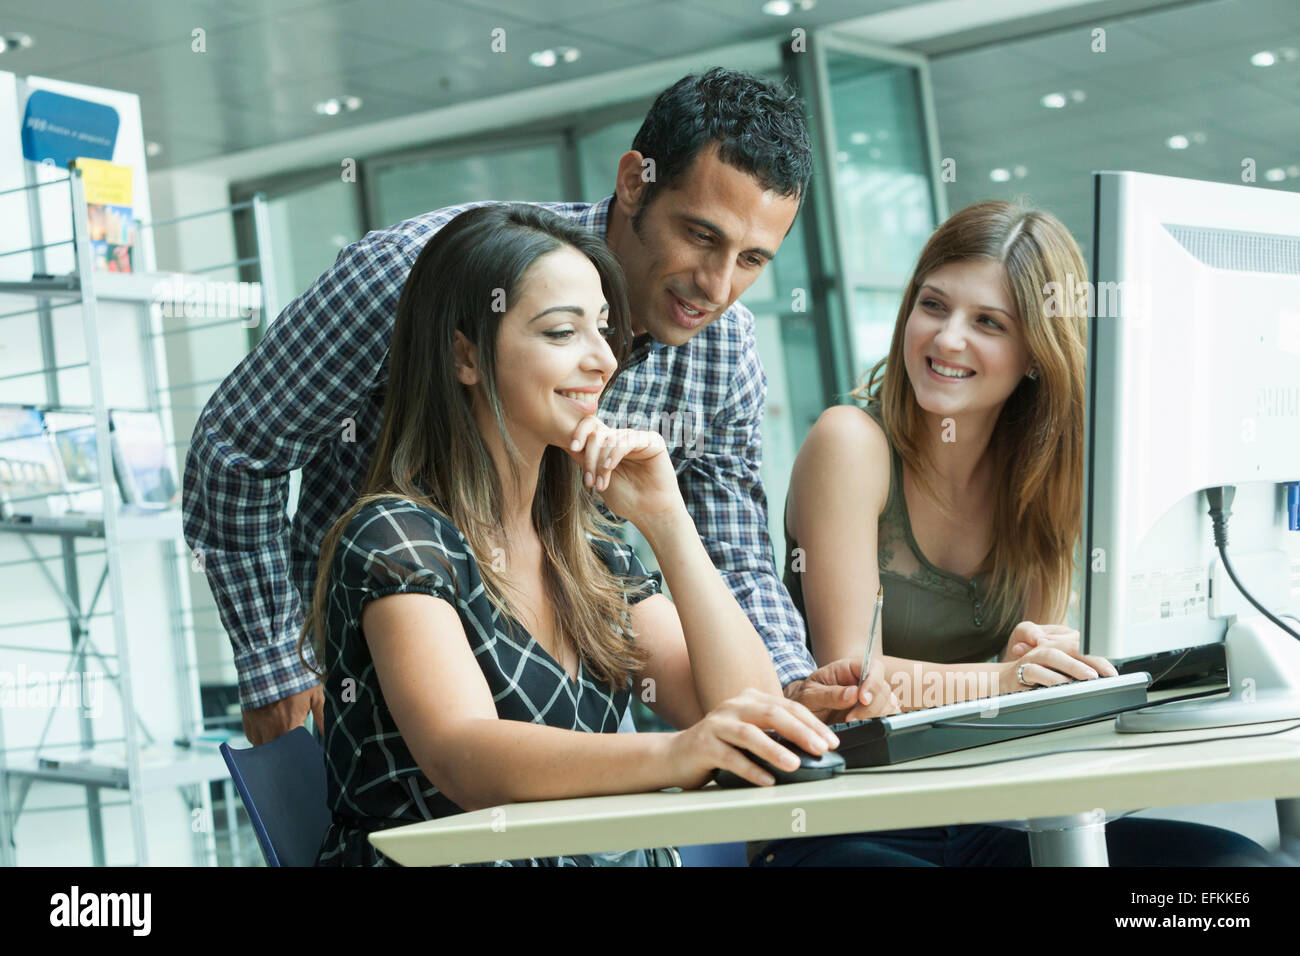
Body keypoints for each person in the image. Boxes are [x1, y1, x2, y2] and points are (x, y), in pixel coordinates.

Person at [182, 67, 893, 749]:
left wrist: (790, 688)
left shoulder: (720, 355)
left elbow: (734, 555)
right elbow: (236, 451)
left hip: (557, 686)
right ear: (633, 183)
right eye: (702, 236)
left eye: (752, 260)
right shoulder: (419, 275)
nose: (716, 285)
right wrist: (274, 660)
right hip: (366, 681)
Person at [302, 203, 838, 866]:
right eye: (562, 333)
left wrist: (669, 524)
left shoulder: (588, 543)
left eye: (606, 332)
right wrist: (675, 751)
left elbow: (748, 714)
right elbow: (466, 754)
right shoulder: (395, 536)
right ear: (464, 353)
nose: (604, 361)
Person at [754, 199, 1270, 866]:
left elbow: (1040, 679)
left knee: (1233, 871)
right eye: (934, 305)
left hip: (997, 812)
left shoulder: (1047, 471)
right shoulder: (850, 443)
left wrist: (1054, 666)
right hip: (851, 819)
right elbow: (858, 688)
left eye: (988, 322)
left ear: (1034, 354)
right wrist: (1004, 679)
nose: (946, 339)